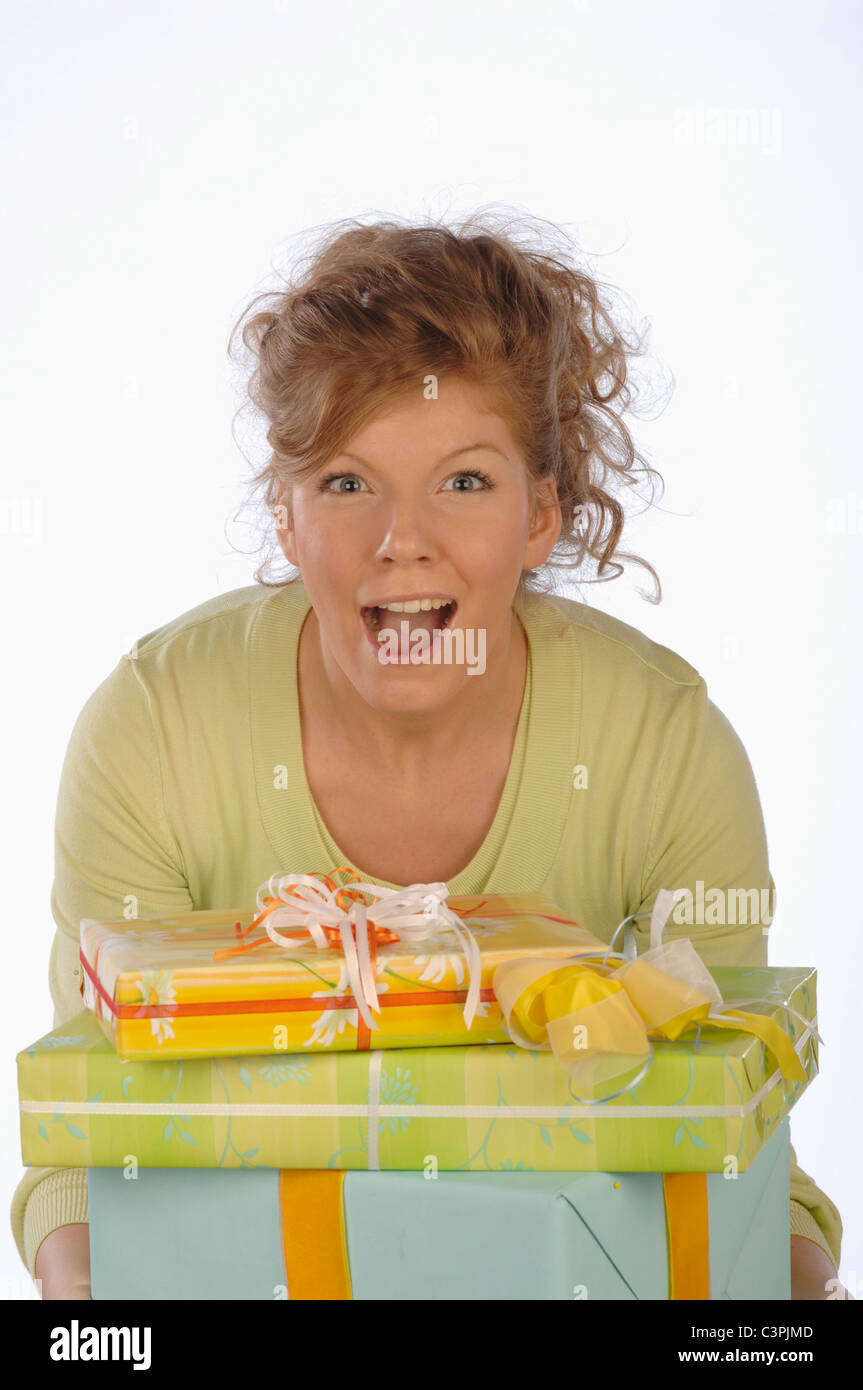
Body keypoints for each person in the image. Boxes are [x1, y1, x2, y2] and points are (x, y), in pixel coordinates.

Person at [11, 212, 848, 1300]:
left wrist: (787, 1311)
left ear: (540, 515)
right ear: (286, 515)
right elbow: (91, 1147)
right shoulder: (155, 728)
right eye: (347, 484)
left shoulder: (660, 746)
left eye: (462, 482)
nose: (401, 539)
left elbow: (733, 1128)